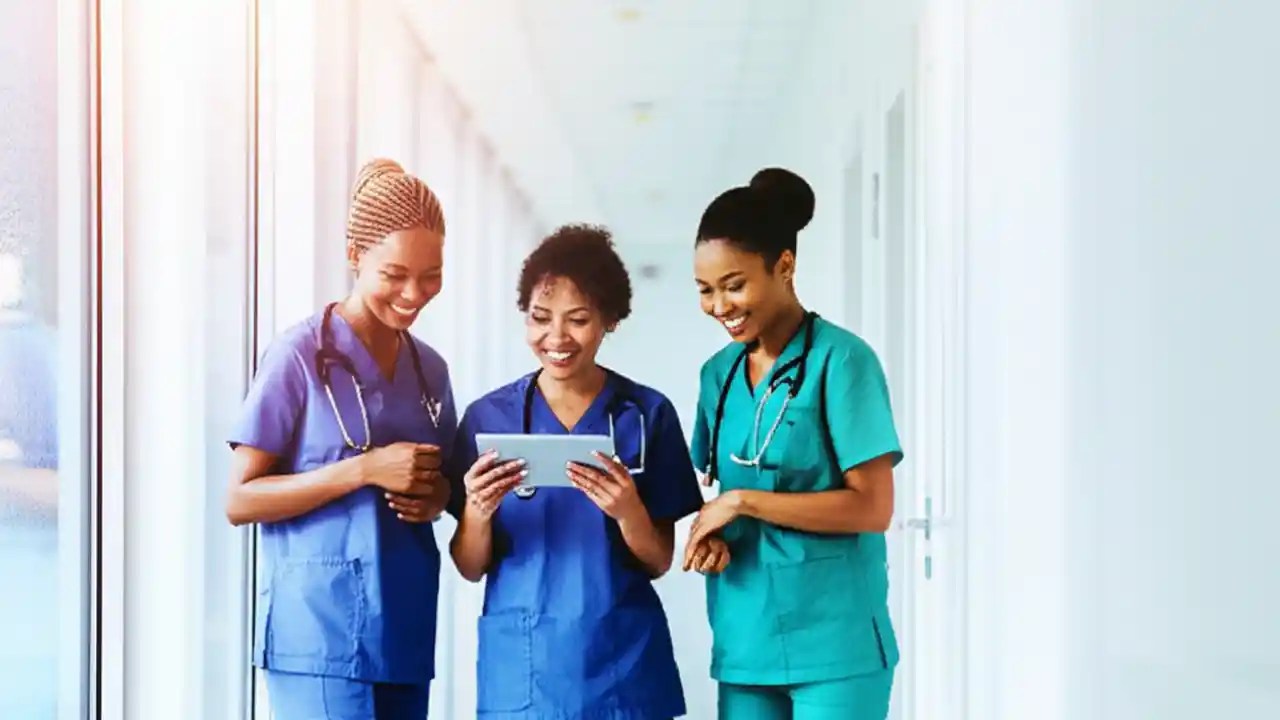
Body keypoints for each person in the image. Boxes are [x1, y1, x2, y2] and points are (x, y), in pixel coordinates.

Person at [225, 158, 456, 719]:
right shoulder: (299, 355)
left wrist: (437, 497)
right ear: (355, 256)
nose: (413, 294)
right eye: (394, 275)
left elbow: (448, 488)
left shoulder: (431, 369)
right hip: (317, 636)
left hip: (402, 629)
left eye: (431, 275)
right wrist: (363, 469)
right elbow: (240, 499)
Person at [447, 224, 706, 719]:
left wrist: (628, 511)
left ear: (610, 319)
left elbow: (659, 560)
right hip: (523, 669)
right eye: (540, 318)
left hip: (620, 665)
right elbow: (469, 565)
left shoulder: (647, 415)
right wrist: (478, 512)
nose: (556, 338)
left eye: (579, 319)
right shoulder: (489, 418)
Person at [683, 168, 903, 720]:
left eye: (734, 285)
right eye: (706, 290)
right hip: (746, 635)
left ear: (785, 265)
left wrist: (742, 503)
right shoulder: (719, 375)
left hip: (836, 640)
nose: (719, 305)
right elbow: (713, 487)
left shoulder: (844, 361)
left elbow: (873, 507)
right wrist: (714, 533)